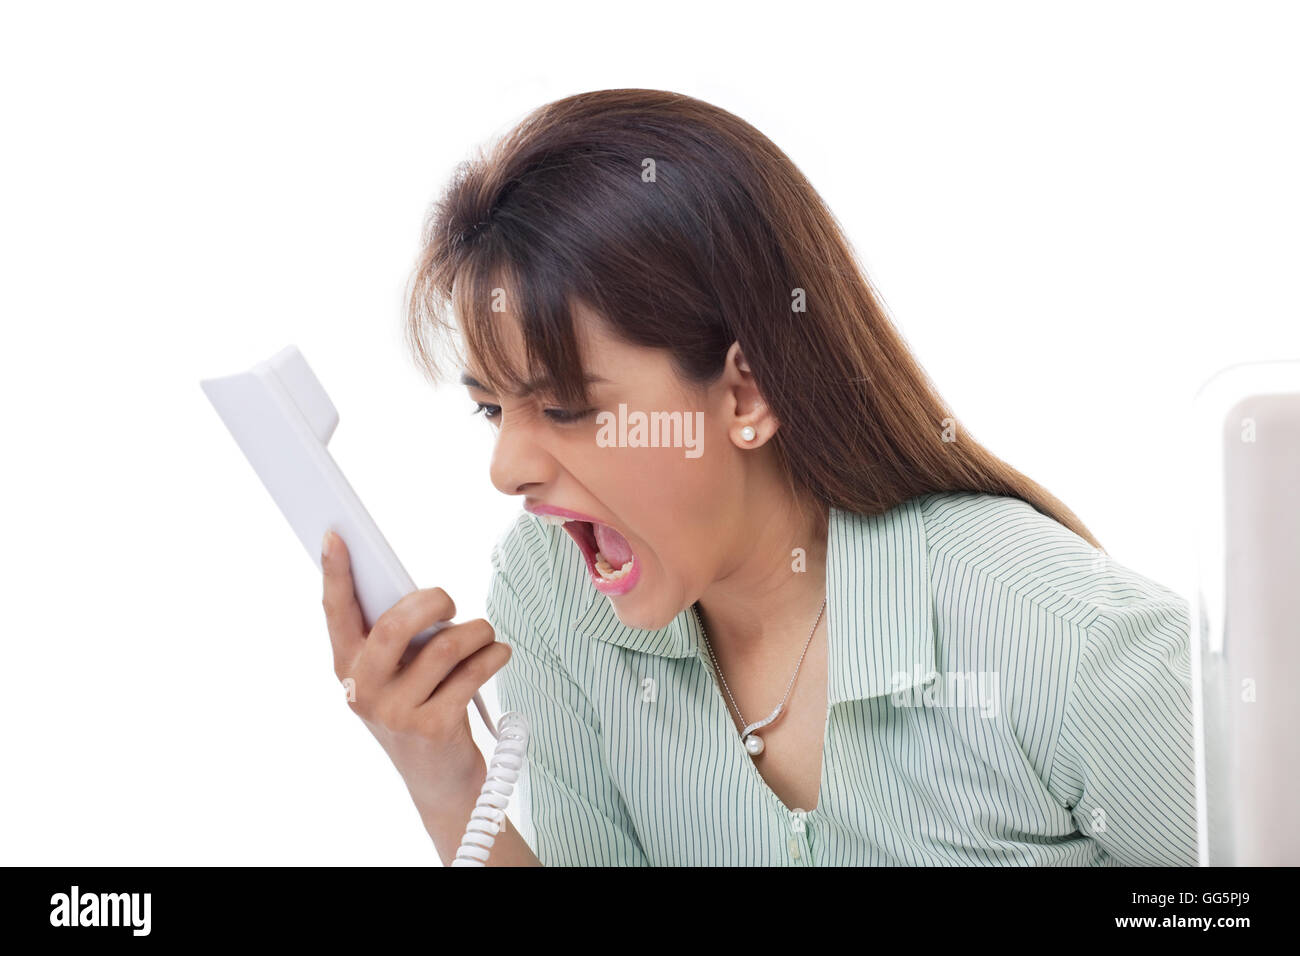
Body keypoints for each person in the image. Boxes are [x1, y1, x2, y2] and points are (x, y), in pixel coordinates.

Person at [322, 89, 1196, 866]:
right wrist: (446, 788)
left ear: (748, 390)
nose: (508, 469)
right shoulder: (553, 596)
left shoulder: (1058, 632)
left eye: (565, 409)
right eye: (491, 409)